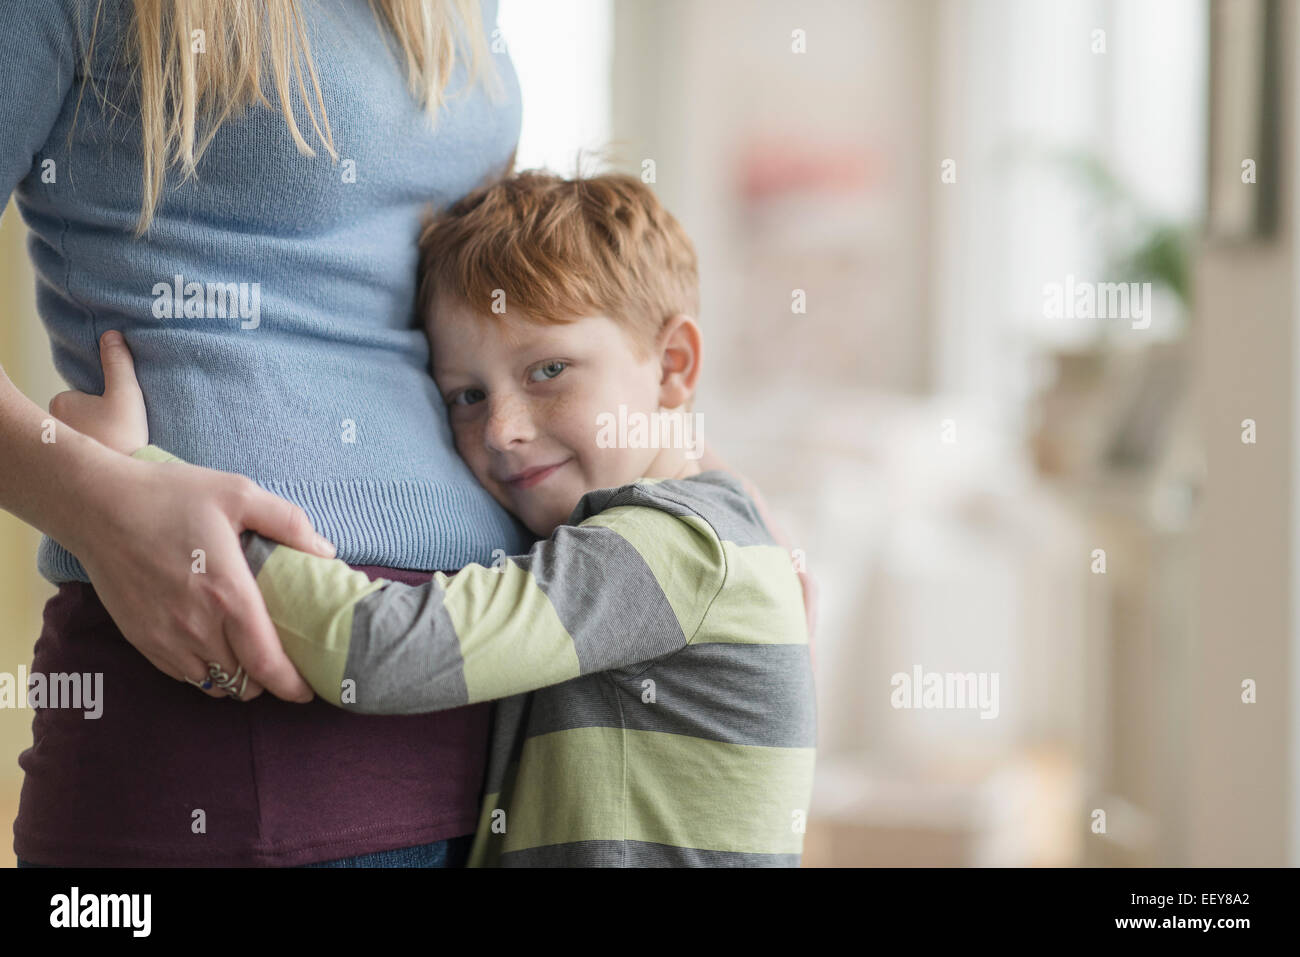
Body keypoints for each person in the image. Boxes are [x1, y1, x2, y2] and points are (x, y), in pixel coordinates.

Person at [52, 169, 817, 866]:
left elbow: (380, 650)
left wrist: (137, 484)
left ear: (675, 365)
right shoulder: (708, 531)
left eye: (549, 370)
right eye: (466, 395)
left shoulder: (661, 548)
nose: (503, 429)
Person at [2, 0, 533, 867]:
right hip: (224, 742)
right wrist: (91, 499)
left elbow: (515, 289)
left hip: (500, 731)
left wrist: (675, 487)